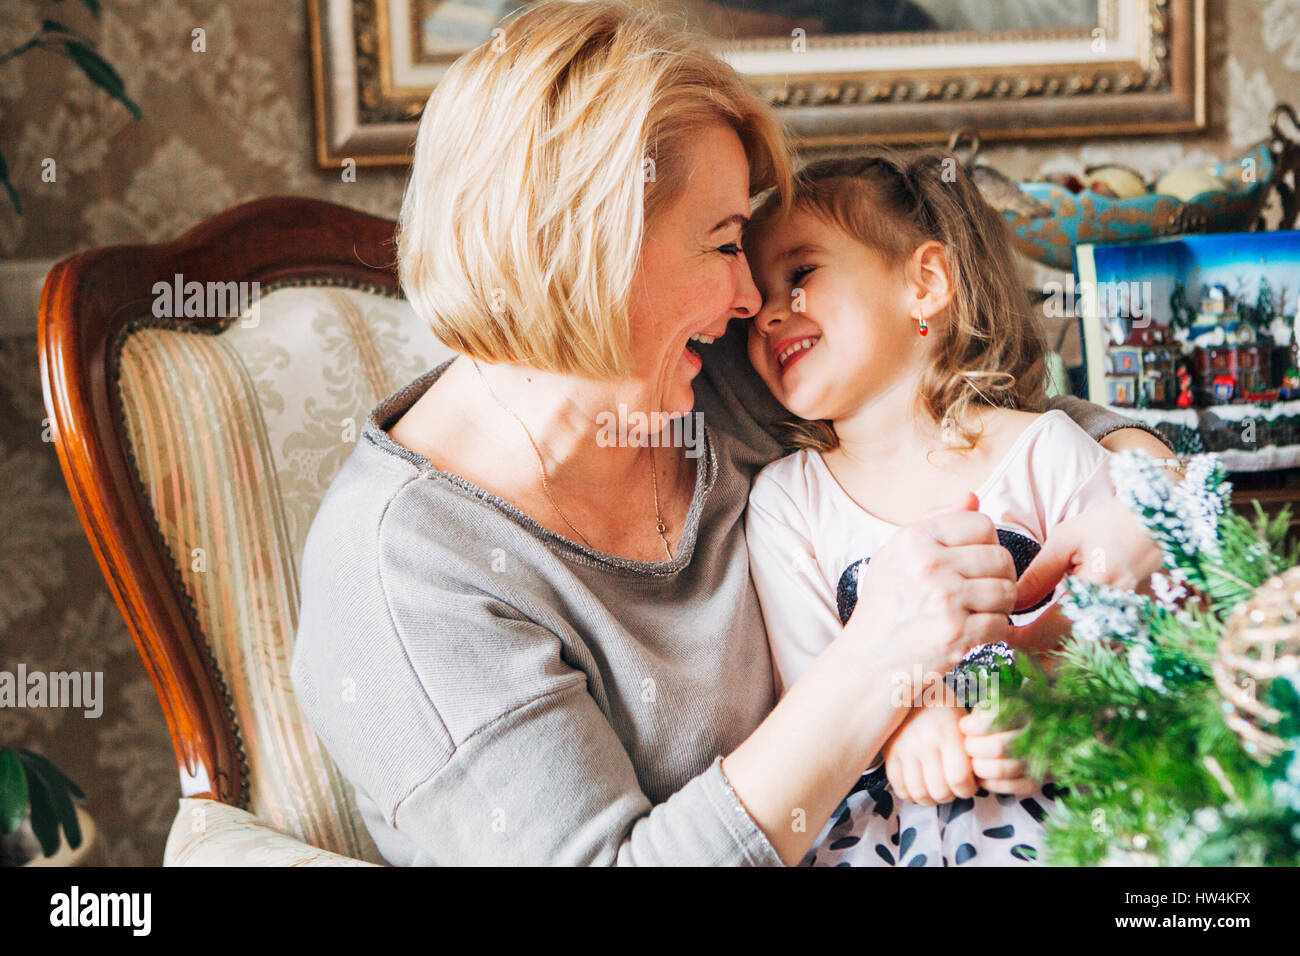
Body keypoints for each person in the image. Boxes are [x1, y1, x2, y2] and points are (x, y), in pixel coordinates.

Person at [289, 0, 1171, 866]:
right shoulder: (406, 576)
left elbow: (978, 418)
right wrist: (879, 666)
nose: (753, 300)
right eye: (721, 246)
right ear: (592, 249)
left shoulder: (706, 380)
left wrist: (1146, 497)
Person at [743, 148, 1126, 866]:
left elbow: (1135, 633)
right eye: (756, 295)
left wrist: (1051, 717)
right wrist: (899, 729)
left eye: (799, 275)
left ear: (925, 283)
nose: (766, 312)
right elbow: (812, 698)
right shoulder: (786, 503)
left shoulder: (1047, 452)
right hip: (888, 833)